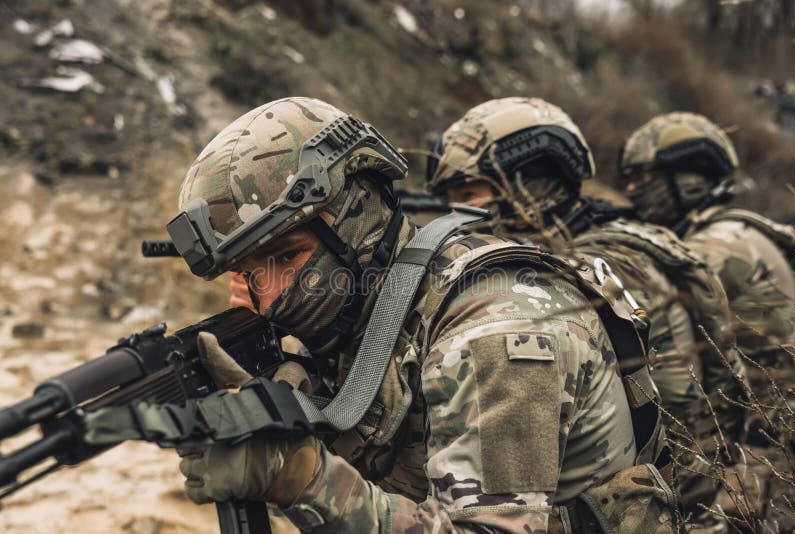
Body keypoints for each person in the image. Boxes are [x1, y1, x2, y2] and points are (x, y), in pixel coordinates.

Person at [168, 97, 677, 532]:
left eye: (286, 257)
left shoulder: (495, 327)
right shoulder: (377, 308)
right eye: (251, 273)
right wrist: (297, 397)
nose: (271, 298)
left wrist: (302, 478)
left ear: (359, 213)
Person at [428, 97, 749, 525]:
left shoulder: (591, 273)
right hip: (687, 492)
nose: (456, 212)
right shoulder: (618, 240)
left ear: (531, 184)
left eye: (468, 194)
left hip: (681, 509)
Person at [619, 112, 795, 400]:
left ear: (689, 177)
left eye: (642, 177)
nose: (632, 190)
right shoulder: (735, 229)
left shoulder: (714, 246)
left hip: (764, 431)